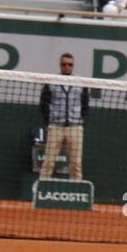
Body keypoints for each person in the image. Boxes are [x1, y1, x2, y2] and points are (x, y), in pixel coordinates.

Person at [38, 54, 89, 182]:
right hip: (56, 127)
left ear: (73, 66)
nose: (67, 67)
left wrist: (79, 119)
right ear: (60, 65)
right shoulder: (51, 81)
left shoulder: (81, 83)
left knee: (76, 164)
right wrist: (49, 121)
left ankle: (76, 192)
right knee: (48, 163)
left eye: (70, 64)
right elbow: (43, 103)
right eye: (64, 64)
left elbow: (85, 103)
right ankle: (42, 192)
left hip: (75, 128)